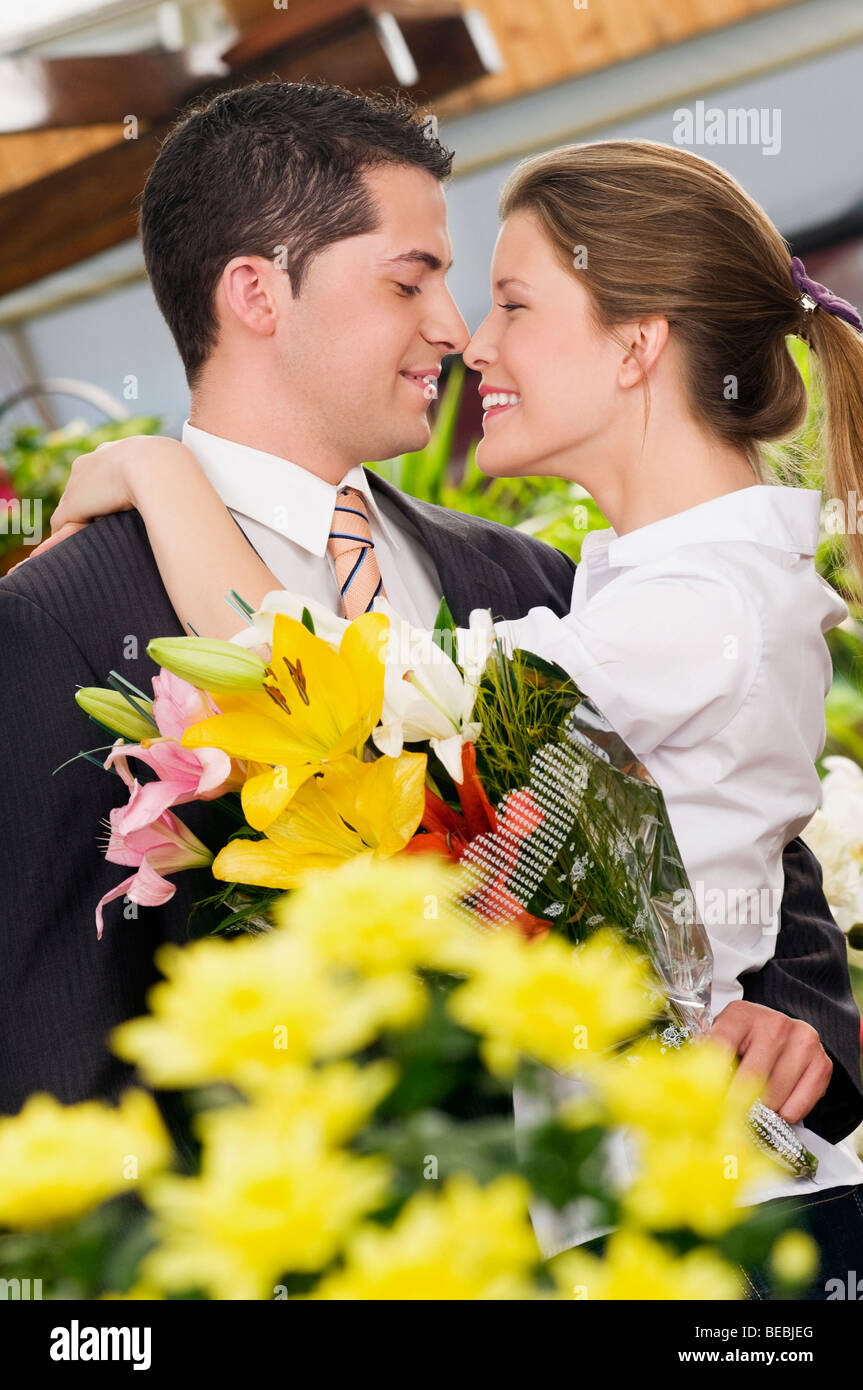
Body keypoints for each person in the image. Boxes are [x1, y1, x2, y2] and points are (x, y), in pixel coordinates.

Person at [4, 90, 862, 1292]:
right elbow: (47, 1037)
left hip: (648, 1228)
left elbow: (754, 871)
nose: (460, 333)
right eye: (412, 282)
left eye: (488, 294)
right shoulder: (51, 619)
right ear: (257, 294)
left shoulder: (535, 579)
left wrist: (803, 1022)